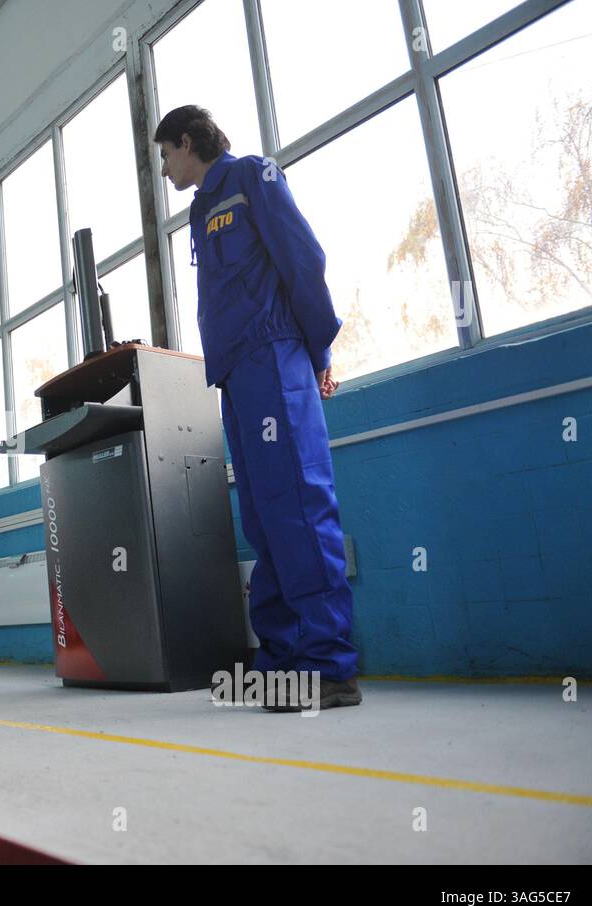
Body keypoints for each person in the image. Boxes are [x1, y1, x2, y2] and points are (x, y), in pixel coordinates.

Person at [155, 104, 360, 712]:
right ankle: (279, 660)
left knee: (299, 505)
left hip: (275, 361)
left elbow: (303, 260)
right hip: (235, 377)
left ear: (187, 142)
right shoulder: (200, 209)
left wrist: (317, 348)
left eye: (165, 155)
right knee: (263, 521)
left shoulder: (253, 178)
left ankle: (328, 665)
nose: (164, 169)